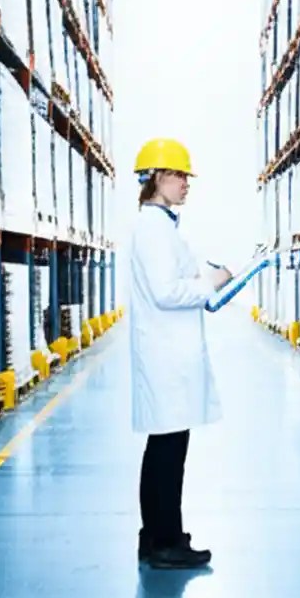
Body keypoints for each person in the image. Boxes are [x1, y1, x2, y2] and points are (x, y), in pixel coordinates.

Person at [127, 137, 231, 570]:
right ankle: (166, 543)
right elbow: (167, 291)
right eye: (179, 174)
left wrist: (208, 274)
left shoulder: (162, 226)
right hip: (165, 358)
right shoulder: (152, 228)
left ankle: (157, 535)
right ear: (157, 178)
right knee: (168, 453)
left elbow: (178, 274)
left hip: (168, 356)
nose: (187, 183)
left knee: (165, 448)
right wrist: (211, 283)